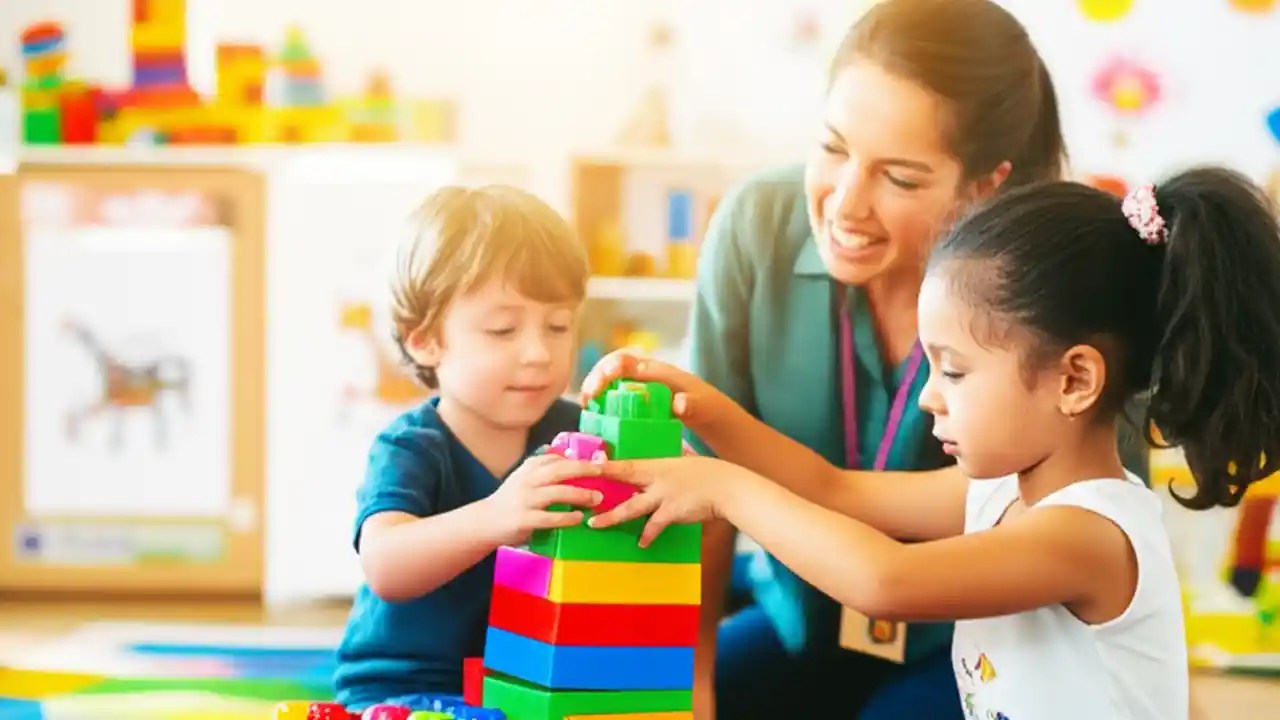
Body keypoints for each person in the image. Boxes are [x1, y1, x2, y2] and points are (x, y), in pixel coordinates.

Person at [573, 167, 1280, 720]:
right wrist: (699, 405)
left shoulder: (1091, 533)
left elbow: (886, 581)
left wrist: (725, 491)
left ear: (1075, 379)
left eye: (956, 369)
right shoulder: (1003, 493)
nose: (928, 395)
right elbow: (835, 488)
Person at [640, 0, 1120, 716]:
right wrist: (690, 686)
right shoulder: (756, 225)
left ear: (985, 184)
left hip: (982, 648)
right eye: (832, 148)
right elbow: (715, 485)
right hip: (800, 622)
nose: (845, 204)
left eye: (899, 177)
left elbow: (889, 561)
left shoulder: (1059, 276)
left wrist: (727, 482)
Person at [333, 185, 605, 710]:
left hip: (536, 688)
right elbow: (386, 565)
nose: (537, 353)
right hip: (410, 686)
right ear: (425, 341)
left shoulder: (580, 434)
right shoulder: (412, 446)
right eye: (503, 330)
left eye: (558, 326)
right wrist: (497, 515)